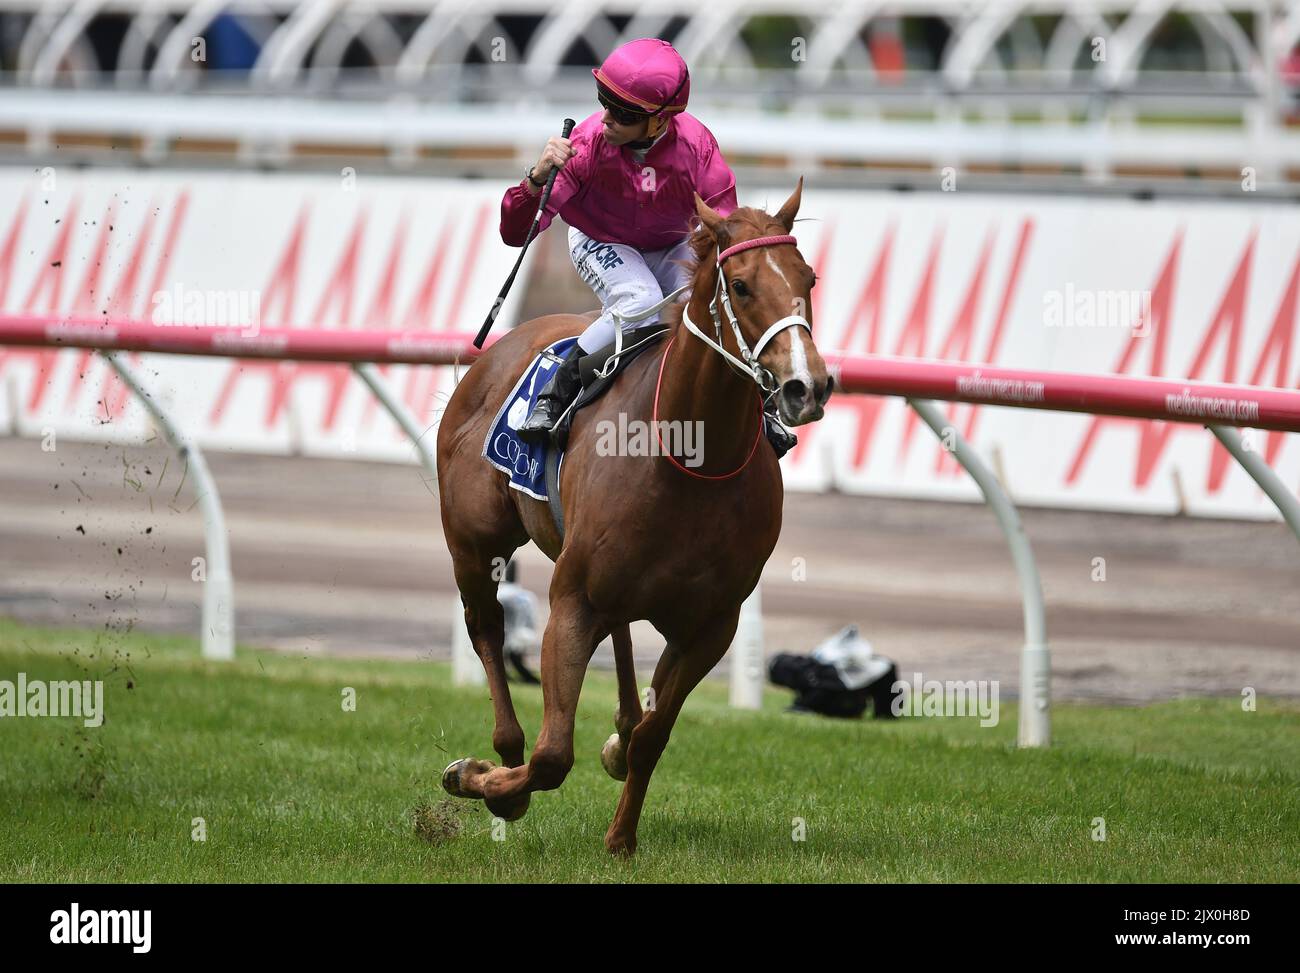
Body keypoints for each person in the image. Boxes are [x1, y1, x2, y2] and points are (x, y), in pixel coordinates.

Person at [498, 37, 796, 453]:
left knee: (711, 303)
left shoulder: (698, 149)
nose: (606, 119)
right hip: (599, 239)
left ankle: (759, 407)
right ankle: (555, 391)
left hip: (671, 242)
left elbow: (724, 234)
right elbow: (515, 233)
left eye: (623, 112)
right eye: (604, 101)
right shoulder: (583, 148)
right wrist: (534, 179)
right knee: (639, 300)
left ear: (659, 121)